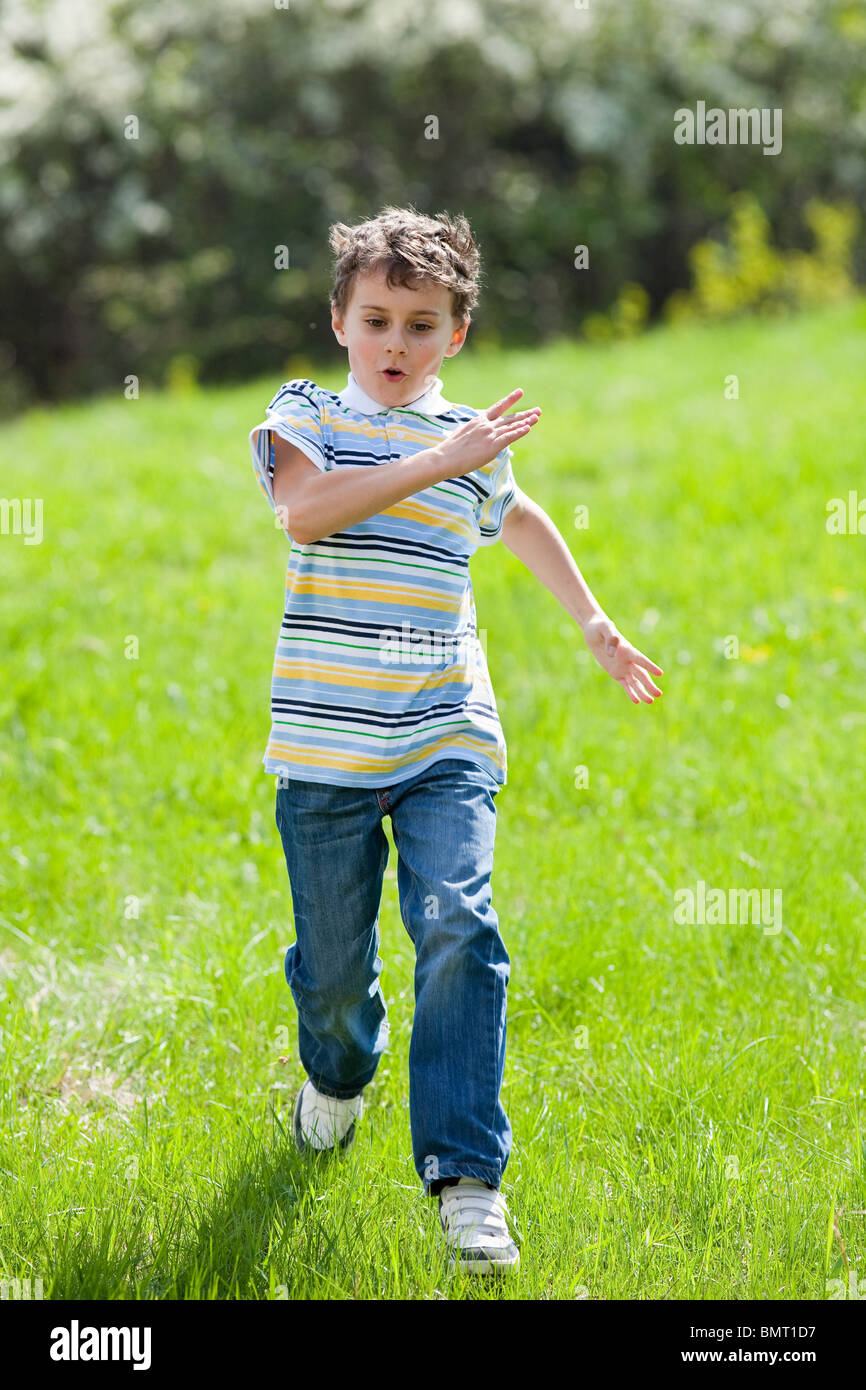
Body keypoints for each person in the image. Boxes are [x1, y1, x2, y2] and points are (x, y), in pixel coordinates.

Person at [247, 205, 663, 1275]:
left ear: (455, 336)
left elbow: (518, 516)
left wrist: (592, 620)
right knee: (335, 981)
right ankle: (337, 1077)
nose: (396, 344)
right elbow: (304, 513)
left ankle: (467, 1178)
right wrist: (439, 460)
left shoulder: (474, 443)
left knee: (459, 928)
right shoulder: (305, 415)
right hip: (326, 748)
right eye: (376, 319)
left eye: (421, 325)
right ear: (338, 319)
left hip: (444, 730)